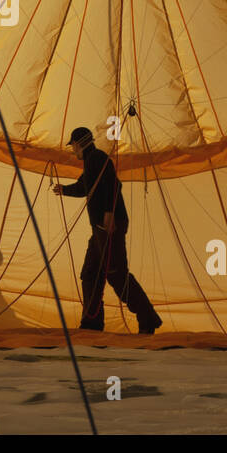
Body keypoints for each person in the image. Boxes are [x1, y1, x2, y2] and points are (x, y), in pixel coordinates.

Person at [53, 126, 164, 335]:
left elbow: (114, 184)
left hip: (108, 226)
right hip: (100, 230)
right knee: (91, 273)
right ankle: (91, 323)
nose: (73, 150)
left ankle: (148, 319)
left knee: (116, 275)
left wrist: (109, 212)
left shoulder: (97, 157)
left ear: (78, 144)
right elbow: (85, 187)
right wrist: (64, 190)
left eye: (73, 146)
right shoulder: (91, 161)